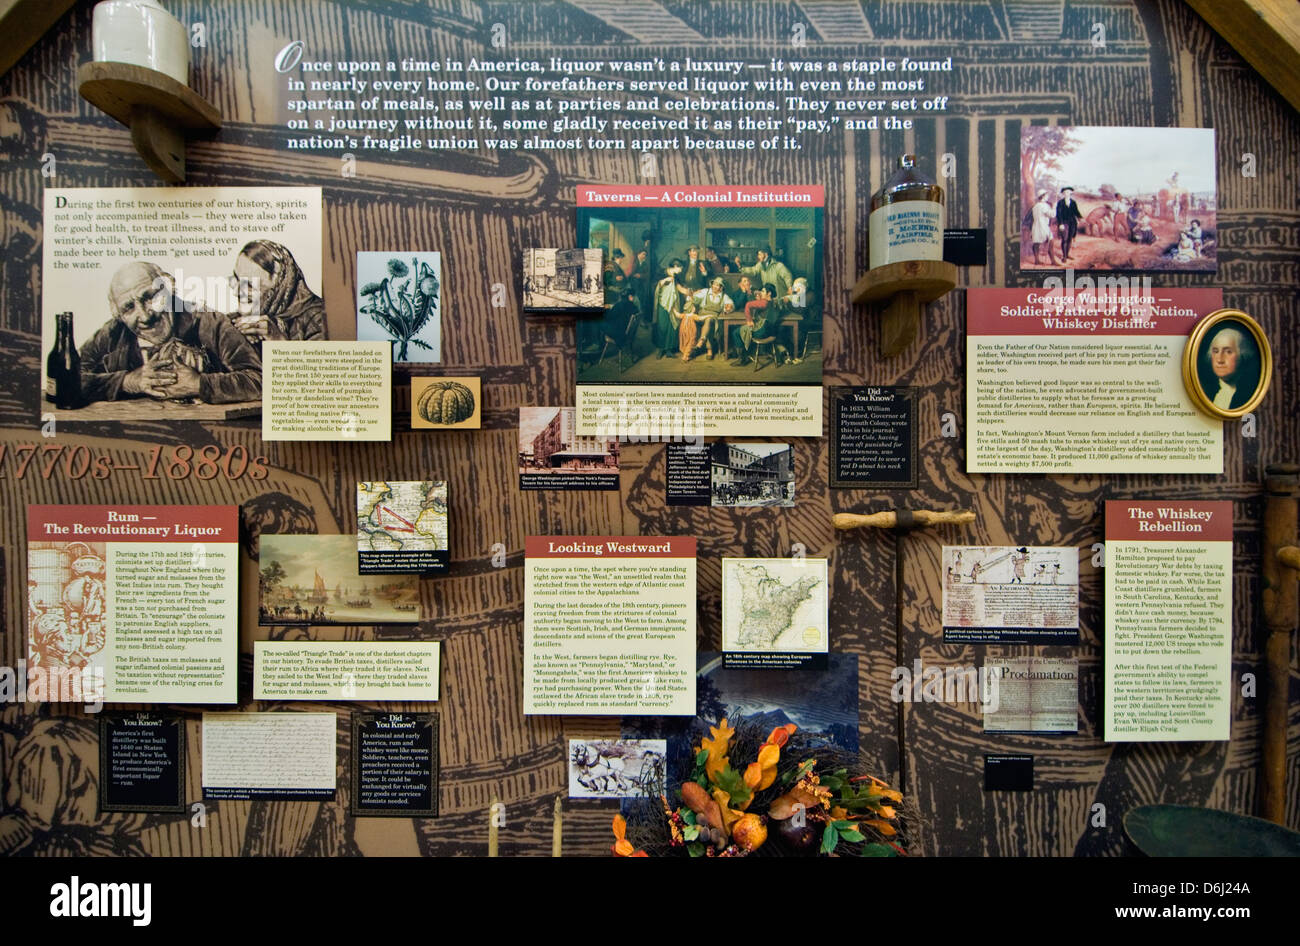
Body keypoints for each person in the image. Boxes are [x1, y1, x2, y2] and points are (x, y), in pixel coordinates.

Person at [79, 260, 262, 404]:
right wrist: (126, 382)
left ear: (170, 287)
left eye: (150, 297)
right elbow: (62, 381)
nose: (144, 316)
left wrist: (200, 384)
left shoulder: (210, 323)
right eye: (129, 308)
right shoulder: (112, 333)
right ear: (119, 314)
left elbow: (260, 380)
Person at [229, 240, 325, 345]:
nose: (236, 291)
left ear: (279, 286)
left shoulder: (321, 320)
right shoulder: (234, 321)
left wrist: (277, 339)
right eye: (237, 279)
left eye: (250, 285)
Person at [1197, 324, 1261, 411]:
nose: (1219, 360)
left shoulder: (1249, 394)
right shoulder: (1205, 392)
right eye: (1215, 351)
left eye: (1228, 352)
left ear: (1242, 355)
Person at [680, 276, 733, 360]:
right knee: (707, 322)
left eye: (717, 285)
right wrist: (692, 296)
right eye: (714, 284)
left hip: (714, 318)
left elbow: (730, 305)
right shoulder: (705, 291)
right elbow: (696, 300)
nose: (714, 287)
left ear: (721, 288)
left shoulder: (724, 297)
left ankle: (704, 344)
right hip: (701, 316)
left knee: (709, 321)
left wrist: (728, 308)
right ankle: (707, 348)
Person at [652, 259, 686, 358]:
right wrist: (663, 281)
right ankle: (661, 349)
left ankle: (669, 350)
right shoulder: (662, 273)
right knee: (662, 327)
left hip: (673, 305)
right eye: (680, 268)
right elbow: (654, 286)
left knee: (672, 326)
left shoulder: (676, 277)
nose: (681, 270)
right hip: (662, 304)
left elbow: (680, 288)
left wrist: (690, 293)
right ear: (675, 266)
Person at [1055, 187, 1084, 260]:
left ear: (1071, 193)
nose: (1067, 194)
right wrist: (1061, 223)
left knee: (1069, 239)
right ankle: (1064, 256)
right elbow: (1058, 214)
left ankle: (1067, 254)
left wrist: (1080, 218)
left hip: (1072, 223)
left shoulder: (1073, 202)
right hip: (1064, 223)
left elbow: (1076, 212)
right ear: (1063, 194)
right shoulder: (1060, 203)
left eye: (1068, 192)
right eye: (1065, 192)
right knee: (1064, 239)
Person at [1030, 190, 1059, 265]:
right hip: (1042, 226)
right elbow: (1052, 215)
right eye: (1046, 195)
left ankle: (1037, 260)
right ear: (1043, 196)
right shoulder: (1044, 205)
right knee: (1050, 242)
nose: (1048, 196)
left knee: (1036, 243)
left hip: (1036, 226)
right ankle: (1053, 261)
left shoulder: (1035, 206)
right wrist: (1054, 207)